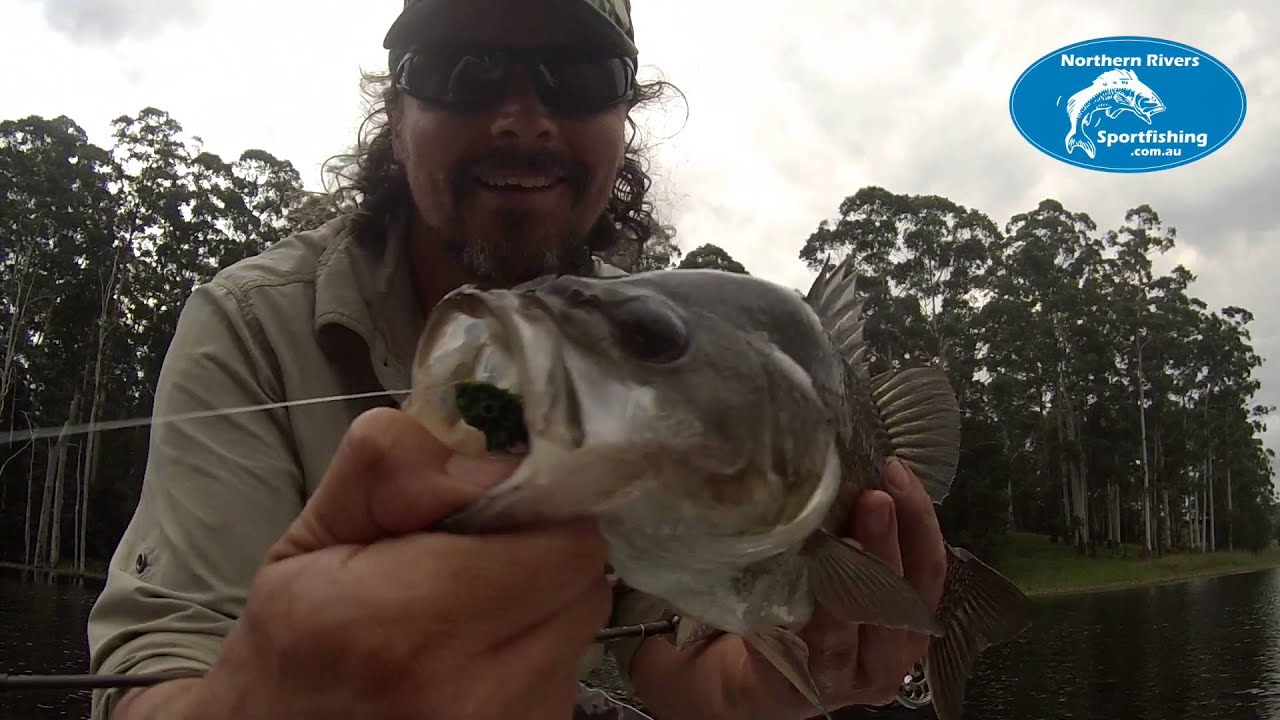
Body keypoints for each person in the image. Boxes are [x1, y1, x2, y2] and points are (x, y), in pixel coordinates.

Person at [86, 0, 949, 718]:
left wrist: (795, 671)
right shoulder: (249, 323)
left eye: (576, 77)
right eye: (464, 68)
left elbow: (677, 667)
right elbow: (148, 675)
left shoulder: (647, 346)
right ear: (396, 114)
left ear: (623, 120)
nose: (522, 119)